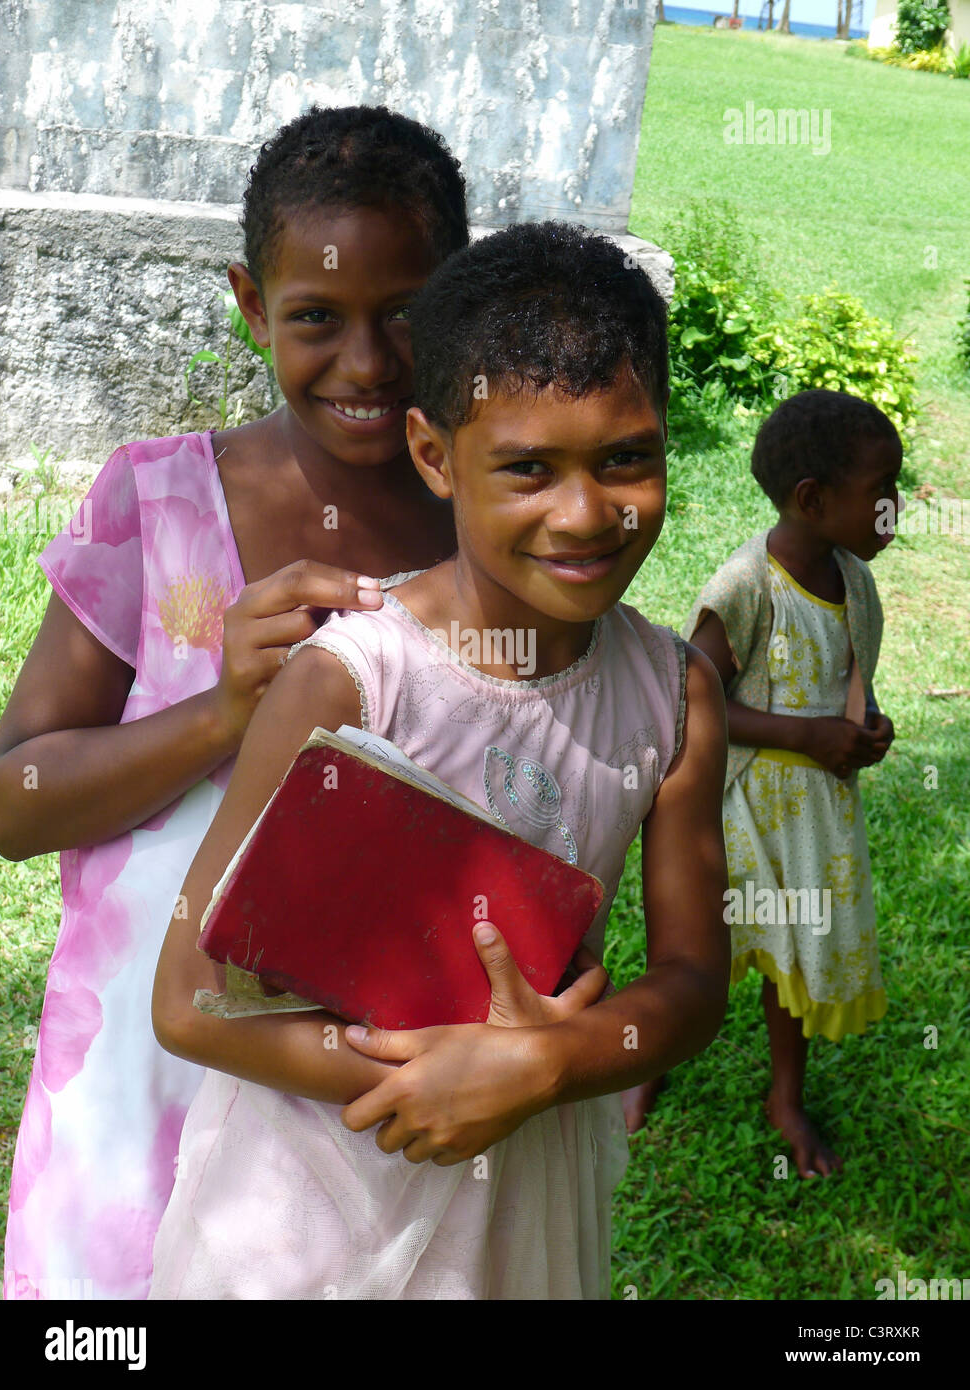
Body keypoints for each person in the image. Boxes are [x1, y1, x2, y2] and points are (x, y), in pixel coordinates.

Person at [148, 220, 730, 1301]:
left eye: (626, 459)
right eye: (527, 469)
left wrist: (550, 1063)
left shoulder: (674, 695)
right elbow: (187, 998)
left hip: (522, 1189)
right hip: (302, 1205)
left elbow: (694, 984)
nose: (586, 512)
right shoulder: (355, 682)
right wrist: (442, 1077)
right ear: (433, 454)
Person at [0, 104, 468, 1300]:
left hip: (358, 1118)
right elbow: (14, 800)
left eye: (404, 314)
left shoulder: (496, 537)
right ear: (251, 304)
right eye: (316, 317)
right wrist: (222, 712)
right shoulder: (157, 505)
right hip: (132, 1102)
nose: (366, 364)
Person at [682, 389, 898, 1178]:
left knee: (790, 959)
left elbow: (850, 681)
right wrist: (805, 736)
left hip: (812, 822)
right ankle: (644, 1064)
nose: (894, 507)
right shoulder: (748, 585)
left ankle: (785, 1098)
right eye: (881, 489)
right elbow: (692, 698)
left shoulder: (854, 582)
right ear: (812, 499)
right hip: (737, 806)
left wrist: (866, 726)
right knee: (701, 948)